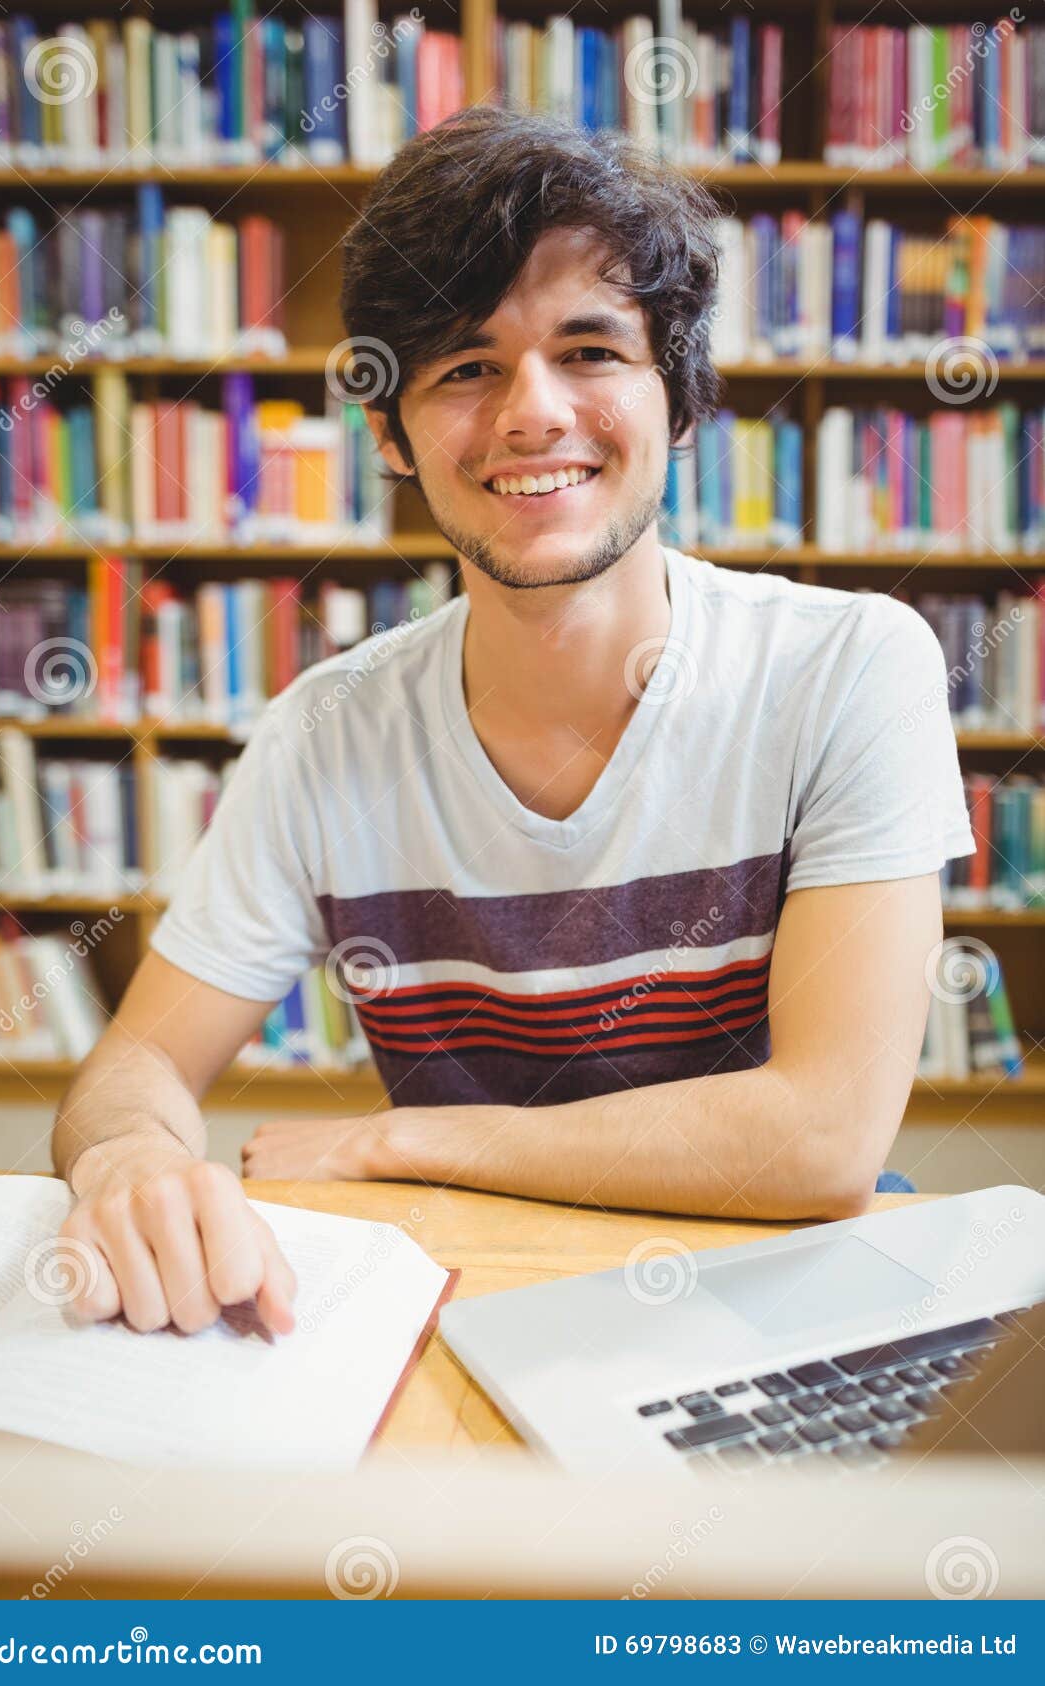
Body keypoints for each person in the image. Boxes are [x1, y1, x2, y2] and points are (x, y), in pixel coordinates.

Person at [51, 106, 975, 1336]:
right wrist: (127, 1160)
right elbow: (137, 1066)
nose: (530, 413)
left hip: (779, 1303)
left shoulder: (848, 667)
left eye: (589, 350)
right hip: (473, 1293)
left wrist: (396, 1142)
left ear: (680, 400)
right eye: (465, 366)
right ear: (390, 431)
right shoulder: (328, 732)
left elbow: (819, 1138)